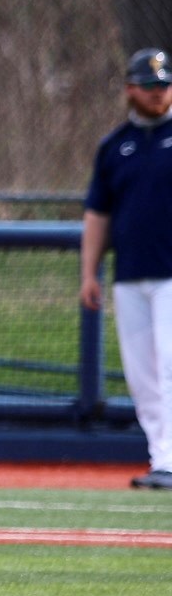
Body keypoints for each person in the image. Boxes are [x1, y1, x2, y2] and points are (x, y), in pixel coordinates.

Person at [81, 47, 172, 489]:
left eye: (165, 85)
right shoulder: (115, 146)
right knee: (143, 375)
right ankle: (162, 459)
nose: (159, 93)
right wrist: (88, 272)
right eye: (150, 86)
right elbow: (98, 214)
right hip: (131, 274)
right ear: (130, 89)